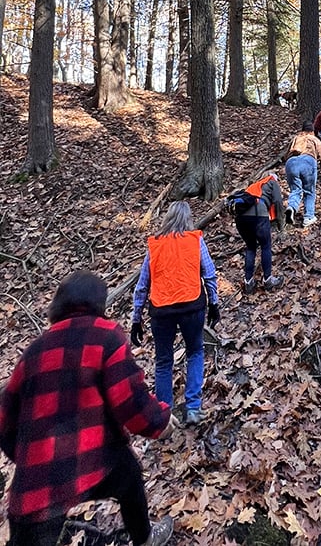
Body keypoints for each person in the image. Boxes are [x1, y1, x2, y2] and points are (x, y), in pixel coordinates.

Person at [0, 270, 174, 546]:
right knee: (129, 477)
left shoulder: (34, 350)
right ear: (98, 303)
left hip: (36, 486)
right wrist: (160, 421)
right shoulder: (106, 336)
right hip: (95, 461)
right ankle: (145, 538)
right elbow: (129, 399)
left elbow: (5, 418)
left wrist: (26, 457)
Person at [131, 201, 220, 426]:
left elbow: (142, 285)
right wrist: (214, 304)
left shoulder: (155, 246)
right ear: (188, 219)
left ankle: (164, 417)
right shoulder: (195, 240)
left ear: (167, 218)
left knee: (163, 362)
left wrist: (136, 318)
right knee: (195, 352)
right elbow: (209, 274)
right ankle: (193, 408)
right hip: (192, 307)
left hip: (162, 311)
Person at [234, 172, 285, 293]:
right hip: (259, 215)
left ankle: (248, 282)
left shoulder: (253, 187)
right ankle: (268, 280)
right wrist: (280, 223)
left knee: (251, 247)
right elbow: (278, 201)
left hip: (241, 218)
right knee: (265, 246)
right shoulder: (272, 181)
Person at [285, 120, 321, 228]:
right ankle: (308, 217)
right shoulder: (314, 139)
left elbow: (286, 154)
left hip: (291, 162)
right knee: (309, 191)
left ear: (302, 130)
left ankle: (292, 207)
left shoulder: (296, 138)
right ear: (313, 131)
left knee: (295, 189)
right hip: (308, 161)